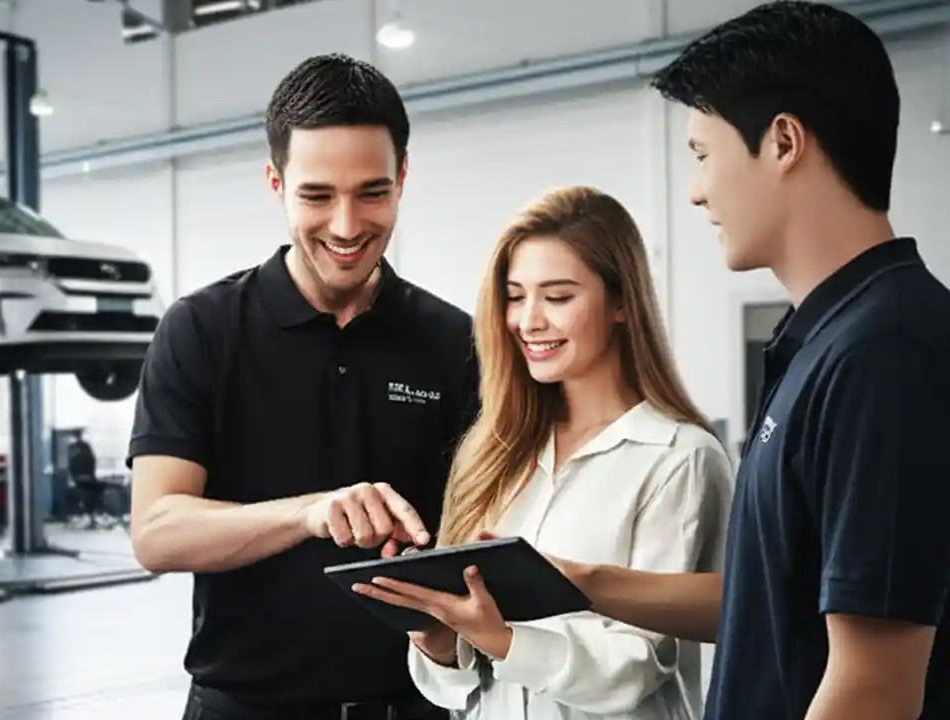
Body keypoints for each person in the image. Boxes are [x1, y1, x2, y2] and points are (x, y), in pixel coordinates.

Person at [542, 3, 950, 718]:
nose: (696, 189)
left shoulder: (883, 351)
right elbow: (773, 598)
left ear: (784, 140)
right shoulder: (823, 342)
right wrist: (575, 579)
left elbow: (875, 685)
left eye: (702, 154)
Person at [126, 53, 478, 720]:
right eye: (316, 196)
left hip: (415, 708)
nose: (346, 227)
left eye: (372, 192)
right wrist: (310, 512)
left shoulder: (454, 342)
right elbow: (156, 531)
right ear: (276, 182)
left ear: (403, 178)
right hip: (245, 707)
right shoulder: (202, 331)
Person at [353, 186, 734, 719]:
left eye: (557, 297)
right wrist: (436, 631)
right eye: (515, 295)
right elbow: (459, 687)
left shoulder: (678, 457)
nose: (528, 320)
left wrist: (505, 639)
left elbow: (641, 665)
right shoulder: (491, 452)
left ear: (622, 303)